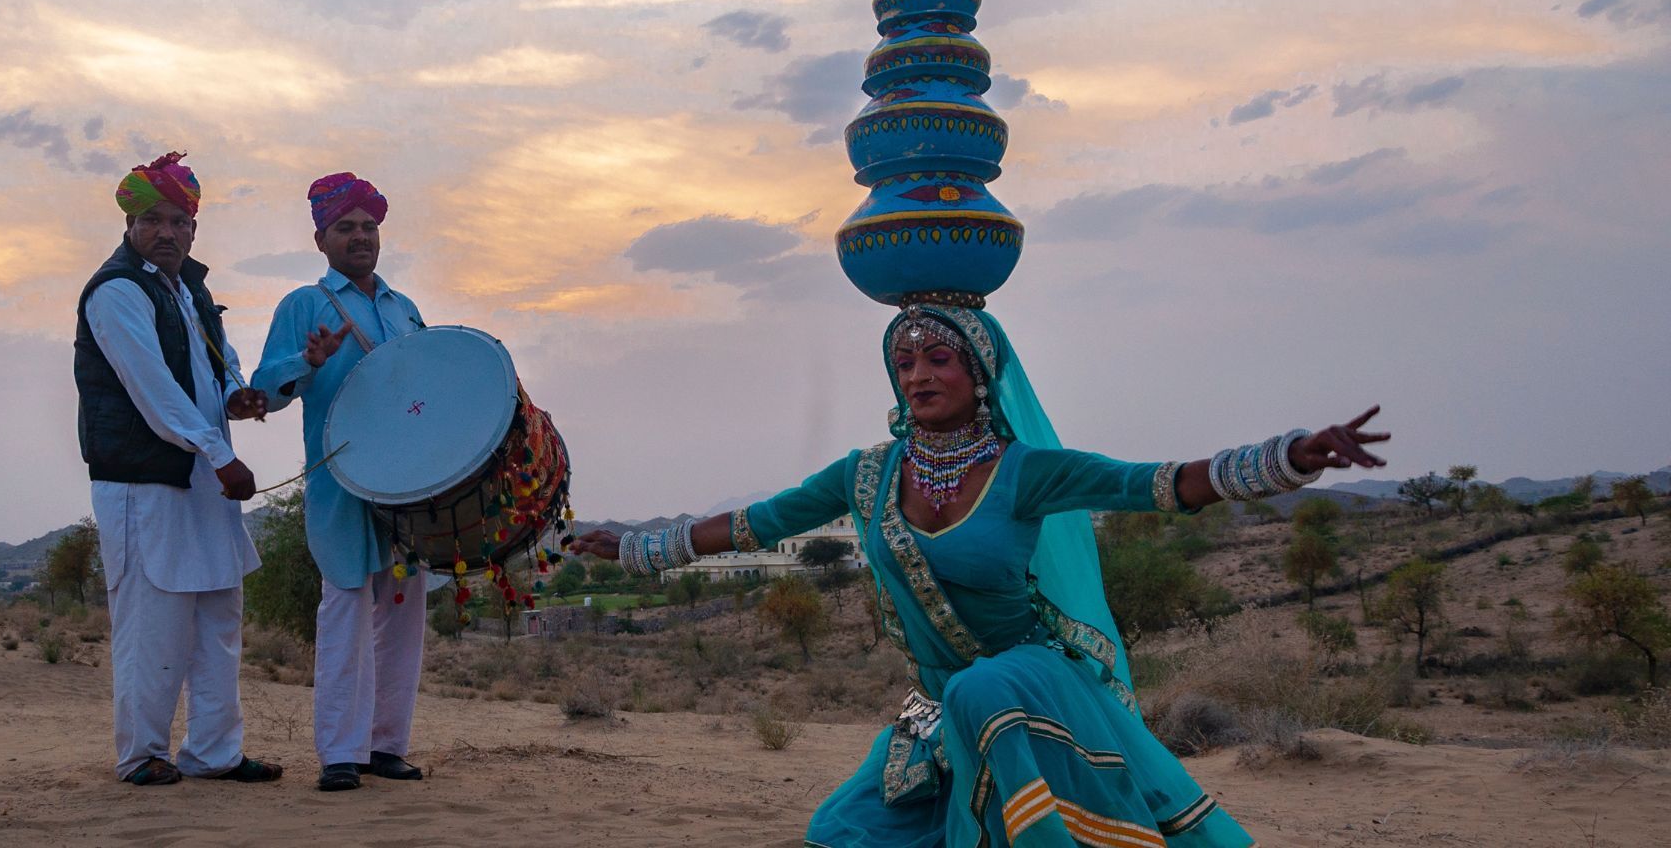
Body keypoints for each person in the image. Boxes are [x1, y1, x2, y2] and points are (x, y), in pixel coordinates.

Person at [574, 303, 1389, 846]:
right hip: (936, 702)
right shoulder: (864, 476)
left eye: (938, 357)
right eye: (905, 363)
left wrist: (1288, 458)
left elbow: (1161, 483)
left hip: (1030, 683)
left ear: (979, 374)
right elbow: (755, 523)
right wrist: (638, 547)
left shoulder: (1026, 471)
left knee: (981, 692)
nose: (919, 374)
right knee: (841, 832)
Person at [72, 152, 282, 787]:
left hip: (203, 481)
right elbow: (154, 390)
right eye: (153, 220)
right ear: (130, 224)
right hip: (147, 484)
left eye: (179, 222)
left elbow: (213, 372)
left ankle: (214, 752)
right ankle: (140, 755)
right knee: (152, 626)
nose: (167, 232)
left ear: (194, 228)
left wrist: (238, 398)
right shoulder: (117, 291)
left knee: (218, 619)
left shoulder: (190, 290)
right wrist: (220, 453)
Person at [252, 172, 430, 793]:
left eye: (369, 227)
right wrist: (311, 361)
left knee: (405, 609)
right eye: (346, 228)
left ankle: (387, 745)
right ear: (321, 239)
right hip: (342, 481)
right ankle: (338, 754)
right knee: (346, 606)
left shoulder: (403, 308)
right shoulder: (305, 304)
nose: (360, 237)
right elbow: (265, 390)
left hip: (409, 485)